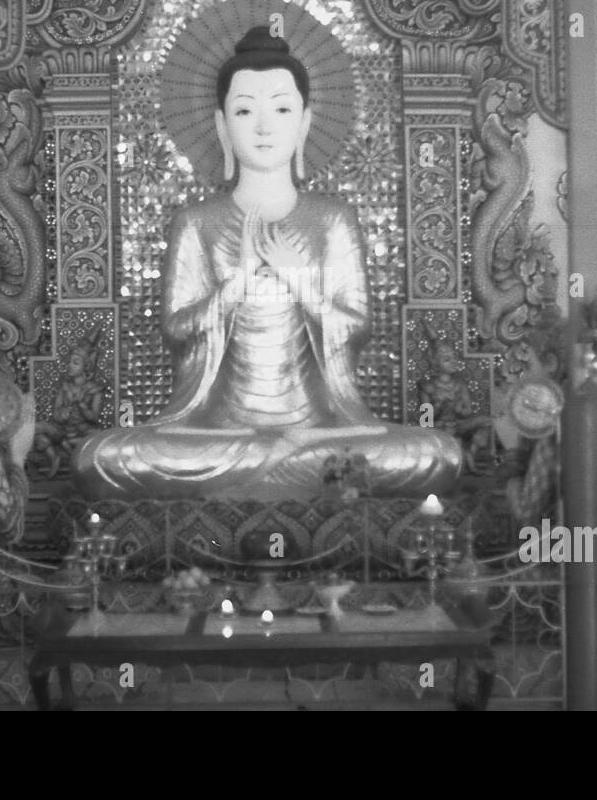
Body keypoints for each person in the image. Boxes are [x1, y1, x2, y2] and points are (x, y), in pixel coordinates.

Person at [74, 26, 461, 500]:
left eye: (281, 109)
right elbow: (175, 330)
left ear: (304, 123)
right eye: (243, 110)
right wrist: (231, 289)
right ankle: (279, 464)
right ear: (221, 125)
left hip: (321, 429)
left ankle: (277, 462)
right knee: (107, 457)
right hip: (216, 432)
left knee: (432, 453)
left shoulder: (333, 220)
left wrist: (303, 284)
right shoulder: (197, 222)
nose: (263, 126)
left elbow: (358, 329)